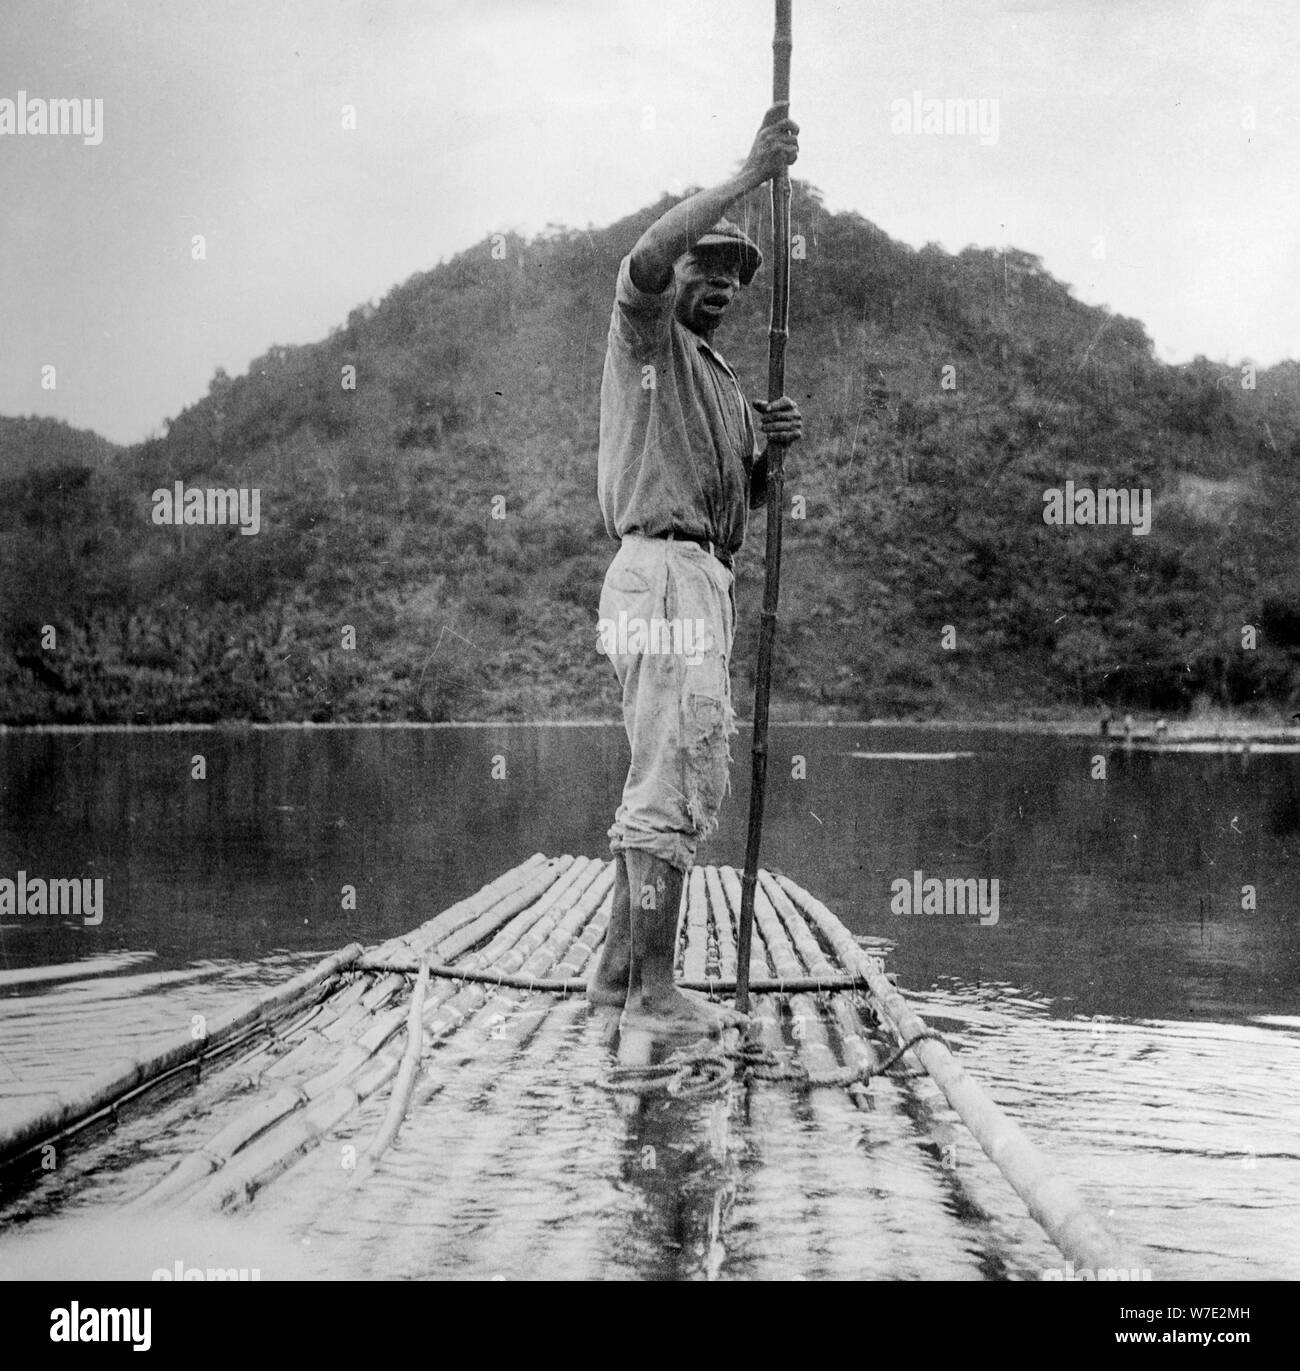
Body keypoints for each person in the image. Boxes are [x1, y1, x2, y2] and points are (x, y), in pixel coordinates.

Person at [588, 104, 803, 1037]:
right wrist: (750, 175)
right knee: (670, 780)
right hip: (662, 577)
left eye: (729, 272)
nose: (715, 281)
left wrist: (769, 457)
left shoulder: (718, 380)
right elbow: (643, 254)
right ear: (671, 276)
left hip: (698, 577)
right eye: (701, 264)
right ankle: (651, 992)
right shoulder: (646, 339)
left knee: (672, 768)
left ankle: (612, 975)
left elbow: (735, 511)